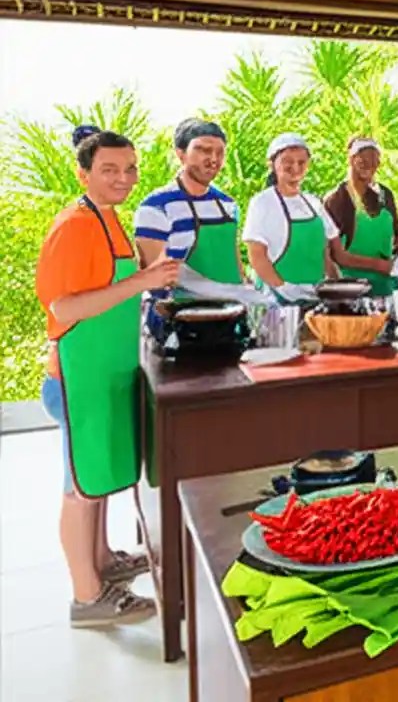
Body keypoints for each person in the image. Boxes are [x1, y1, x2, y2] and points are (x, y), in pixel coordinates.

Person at [36, 126, 176, 626]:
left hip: (105, 373)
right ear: (84, 173)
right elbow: (64, 307)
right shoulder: (74, 226)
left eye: (130, 168)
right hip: (79, 378)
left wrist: (147, 281)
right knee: (79, 489)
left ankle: (102, 561)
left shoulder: (107, 218)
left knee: (94, 479)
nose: (123, 178)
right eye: (109, 169)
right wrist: (143, 281)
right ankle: (87, 597)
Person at [134, 118, 268, 317]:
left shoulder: (226, 205)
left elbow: (234, 264)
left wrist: (247, 291)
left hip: (232, 314)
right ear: (180, 154)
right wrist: (225, 291)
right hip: (180, 318)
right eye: (204, 150)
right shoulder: (156, 207)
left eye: (220, 152)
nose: (213, 159)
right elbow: (159, 273)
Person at [243, 133, 342, 302]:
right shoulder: (262, 203)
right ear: (272, 164)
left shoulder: (313, 203)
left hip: (315, 296)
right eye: (287, 161)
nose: (295, 167)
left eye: (301, 162)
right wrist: (283, 288)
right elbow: (256, 256)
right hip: (276, 299)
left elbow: (324, 254)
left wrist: (338, 289)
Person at [322, 137, 398, 297]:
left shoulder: (385, 195)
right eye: (362, 160)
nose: (369, 166)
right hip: (351, 288)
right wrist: (380, 265)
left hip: (386, 286)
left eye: (374, 161)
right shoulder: (337, 199)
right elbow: (334, 254)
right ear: (351, 159)